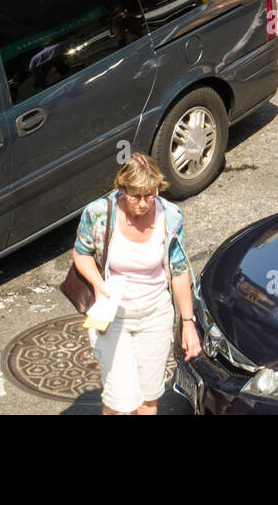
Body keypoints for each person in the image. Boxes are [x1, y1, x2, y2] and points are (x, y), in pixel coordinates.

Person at [72, 153, 200, 416]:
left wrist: (188, 323)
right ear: (122, 189)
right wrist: (97, 283)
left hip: (155, 316)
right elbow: (81, 253)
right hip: (114, 318)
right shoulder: (99, 214)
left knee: (147, 399)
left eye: (150, 195)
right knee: (120, 404)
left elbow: (179, 271)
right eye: (136, 196)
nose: (143, 204)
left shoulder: (171, 216)